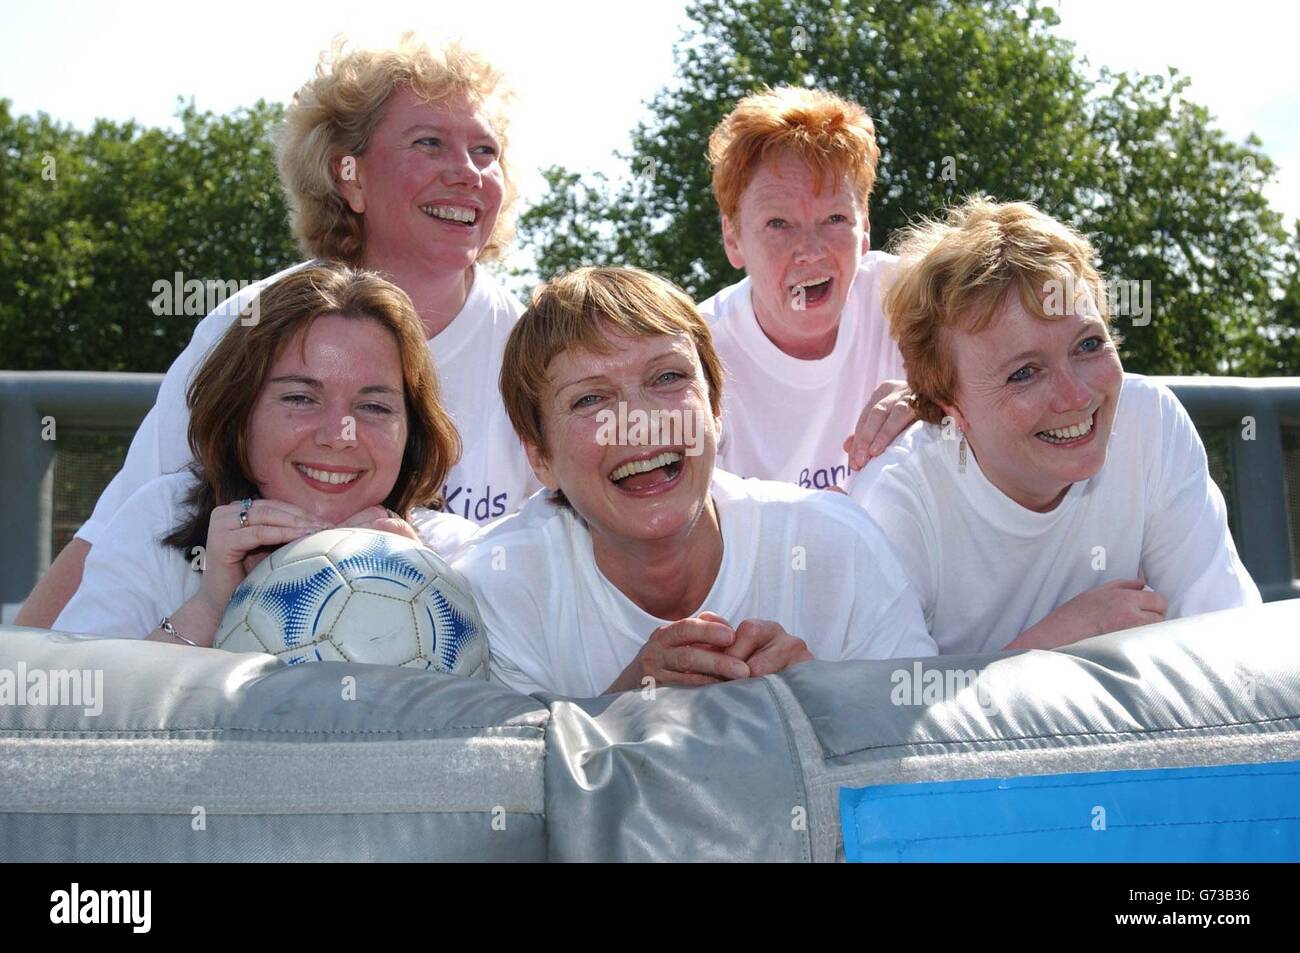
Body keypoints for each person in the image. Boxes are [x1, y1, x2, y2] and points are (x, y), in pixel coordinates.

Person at [19, 34, 538, 629]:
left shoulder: (537, 353)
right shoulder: (246, 326)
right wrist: (19, 684)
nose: (467, 173)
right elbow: (113, 539)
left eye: (485, 151)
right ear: (349, 177)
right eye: (429, 143)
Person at [454, 266, 937, 698]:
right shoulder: (496, 592)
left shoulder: (838, 545)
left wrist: (824, 703)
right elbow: (510, 784)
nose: (638, 421)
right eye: (589, 400)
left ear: (716, 409)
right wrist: (624, 708)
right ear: (539, 457)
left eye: (667, 377)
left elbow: (929, 758)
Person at [848, 197, 1261, 655]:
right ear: (952, 407)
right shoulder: (899, 499)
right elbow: (890, 715)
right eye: (1024, 373)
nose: (1078, 397)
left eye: (1088, 345)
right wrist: (1054, 648)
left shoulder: (1148, 422)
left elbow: (1229, 647)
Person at [54, 264, 473, 645]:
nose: (338, 436)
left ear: (412, 431)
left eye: (374, 407)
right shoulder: (158, 522)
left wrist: (430, 594)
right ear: (241, 414)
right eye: (300, 397)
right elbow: (70, 716)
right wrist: (210, 608)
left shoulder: (457, 559)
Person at [698, 86, 917, 491]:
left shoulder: (912, 302)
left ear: (864, 226)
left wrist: (938, 405)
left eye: (834, 218)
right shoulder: (691, 356)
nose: (810, 251)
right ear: (733, 239)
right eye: (778, 224)